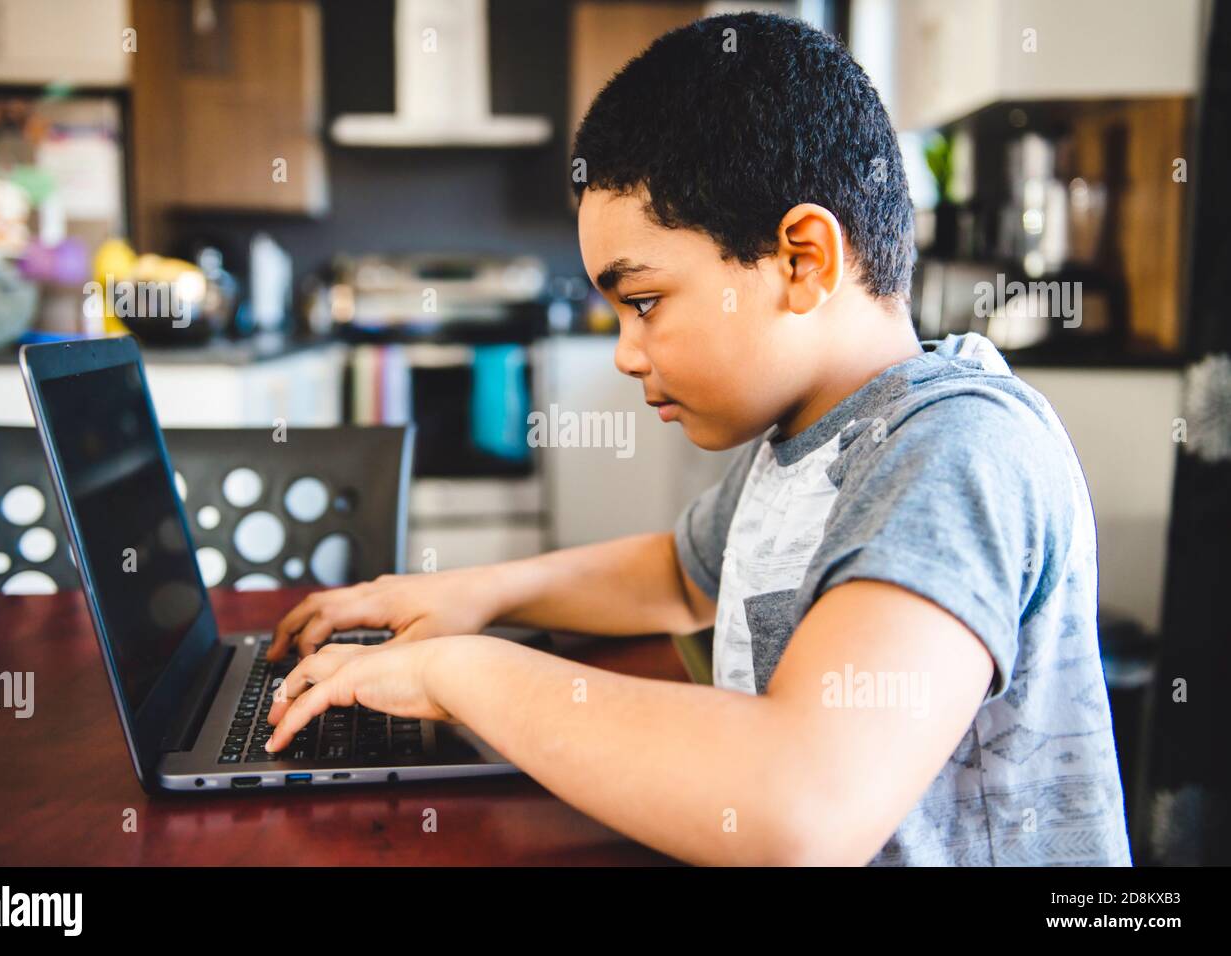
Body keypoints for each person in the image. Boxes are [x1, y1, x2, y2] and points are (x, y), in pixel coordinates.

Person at [264, 12, 1130, 866]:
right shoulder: (808, 434)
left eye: (642, 301)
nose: (624, 352)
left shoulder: (955, 451)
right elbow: (682, 573)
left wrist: (461, 674)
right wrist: (472, 594)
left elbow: (801, 803)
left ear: (803, 261)